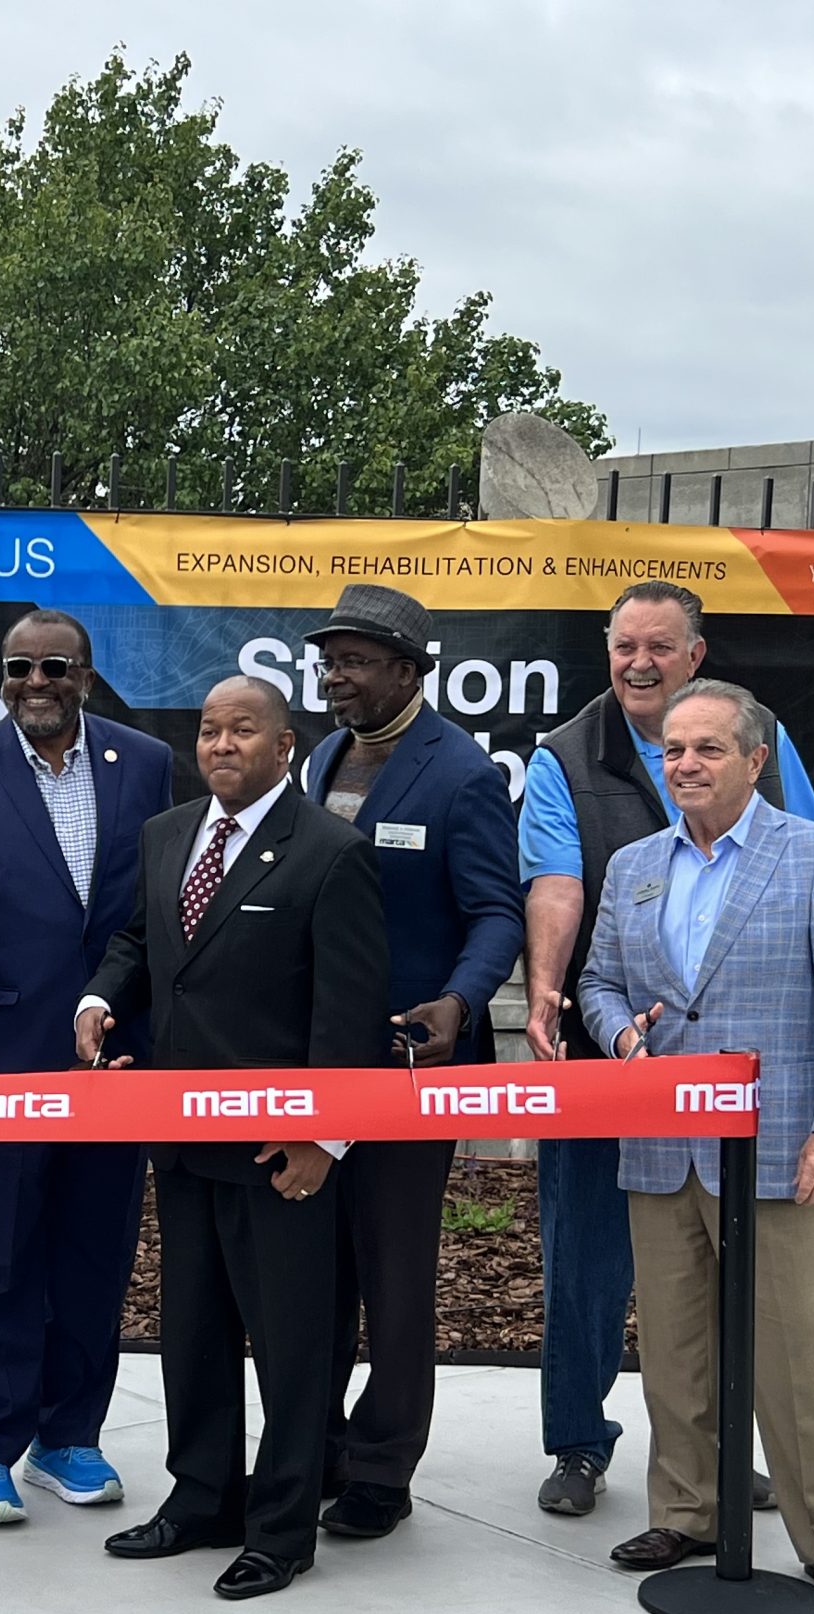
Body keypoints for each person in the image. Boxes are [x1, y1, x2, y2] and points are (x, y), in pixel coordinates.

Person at [76, 676, 389, 1601]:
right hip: (181, 1140)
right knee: (194, 1334)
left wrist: (324, 1140)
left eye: (241, 730)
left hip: (278, 1154)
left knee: (292, 1348)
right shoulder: (168, 835)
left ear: (284, 746)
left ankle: (281, 1529)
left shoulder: (331, 853)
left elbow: (349, 1015)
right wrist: (100, 998)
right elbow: (142, 942)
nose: (220, 745)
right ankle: (202, 1499)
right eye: (210, 730)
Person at [519, 578, 814, 1521]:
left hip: (734, 1060)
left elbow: (811, 858)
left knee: (730, 1264)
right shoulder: (564, 756)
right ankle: (578, 1442)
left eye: (660, 647)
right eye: (624, 647)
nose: (640, 664)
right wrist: (546, 989)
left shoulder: (760, 736)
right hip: (605, 1048)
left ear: (697, 654)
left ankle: (719, 1454)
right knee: (585, 1257)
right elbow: (557, 882)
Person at [579, 679, 814, 1606]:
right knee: (674, 1347)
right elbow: (597, 983)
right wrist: (621, 1036)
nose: (686, 765)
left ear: (756, 761)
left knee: (793, 1349)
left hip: (780, 1145)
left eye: (708, 748)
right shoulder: (634, 866)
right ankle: (687, 1509)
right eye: (673, 749)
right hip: (661, 1145)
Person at [0, 610, 173, 1526]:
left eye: (56, 667)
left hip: (118, 1052)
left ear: (86, 677)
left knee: (96, 1250)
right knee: (0, 1252)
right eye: (19, 668)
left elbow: (158, 901)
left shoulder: (147, 763)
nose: (36, 683)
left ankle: (68, 1437)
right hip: (6, 1053)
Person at [299, 586, 524, 1542]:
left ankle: (383, 1467)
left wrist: (459, 1003)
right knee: (314, 1270)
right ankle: (314, 1446)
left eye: (354, 662)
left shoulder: (460, 773)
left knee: (393, 1274)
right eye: (330, 662)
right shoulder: (323, 758)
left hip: (409, 1063)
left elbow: (497, 912)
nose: (335, 678)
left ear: (408, 670)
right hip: (320, 1059)